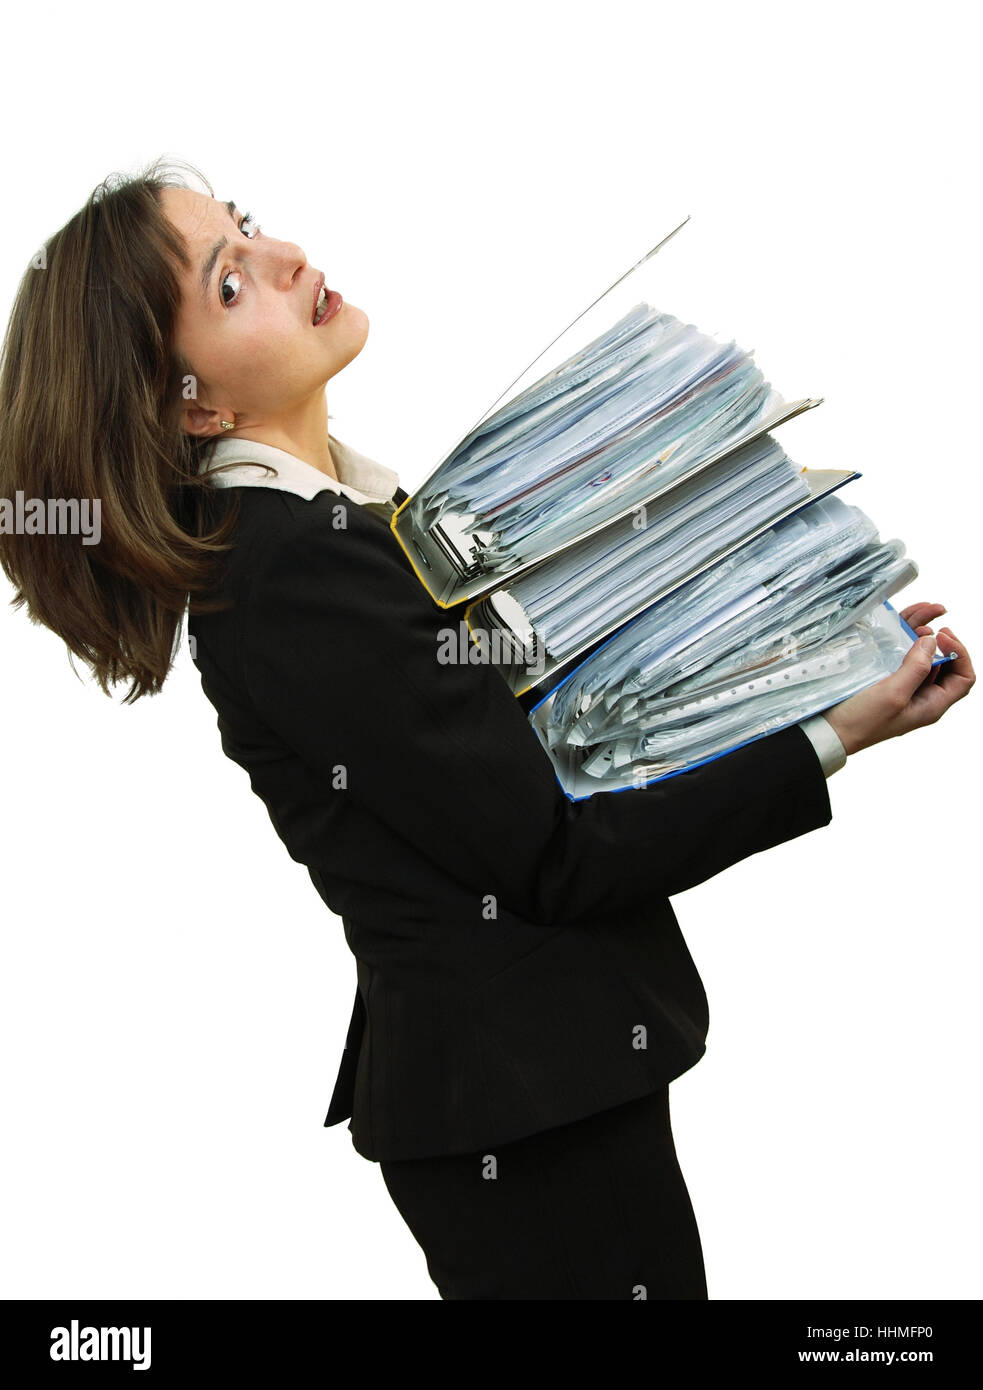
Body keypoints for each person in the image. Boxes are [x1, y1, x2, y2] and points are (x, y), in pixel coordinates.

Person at [0, 158, 974, 1300]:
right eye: (228, 284)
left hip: (534, 1095)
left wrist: (794, 656)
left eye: (249, 229)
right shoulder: (288, 569)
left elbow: (543, 726)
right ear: (193, 405)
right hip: (524, 1113)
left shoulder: (341, 526)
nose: (284, 257)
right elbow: (553, 852)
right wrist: (832, 734)